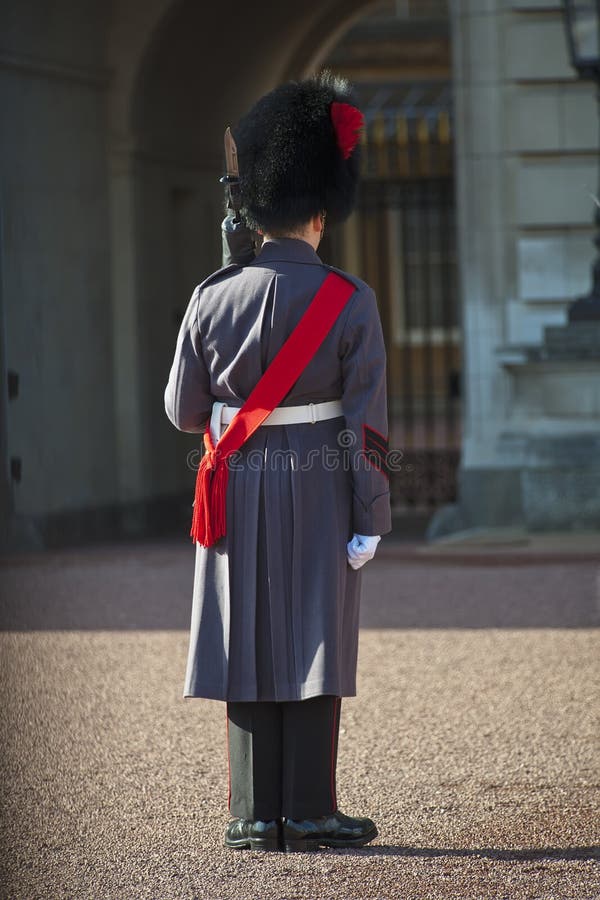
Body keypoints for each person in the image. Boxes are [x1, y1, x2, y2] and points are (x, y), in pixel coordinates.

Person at [164, 72, 391, 853]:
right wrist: (372, 516)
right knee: (316, 636)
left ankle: (253, 816)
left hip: (236, 481)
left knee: (247, 639)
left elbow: (182, 412)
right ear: (321, 214)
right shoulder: (349, 300)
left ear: (255, 212)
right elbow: (363, 428)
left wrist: (224, 283)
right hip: (322, 482)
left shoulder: (209, 296)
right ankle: (312, 811)